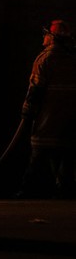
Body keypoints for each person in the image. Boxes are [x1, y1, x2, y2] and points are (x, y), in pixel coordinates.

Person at [17, 19, 76, 199]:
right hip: (69, 123)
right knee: (65, 158)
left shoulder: (44, 60)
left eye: (47, 34)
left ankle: (26, 191)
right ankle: (64, 191)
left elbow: (35, 89)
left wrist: (27, 111)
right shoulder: (72, 60)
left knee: (38, 156)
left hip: (47, 121)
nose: (44, 37)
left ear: (52, 38)